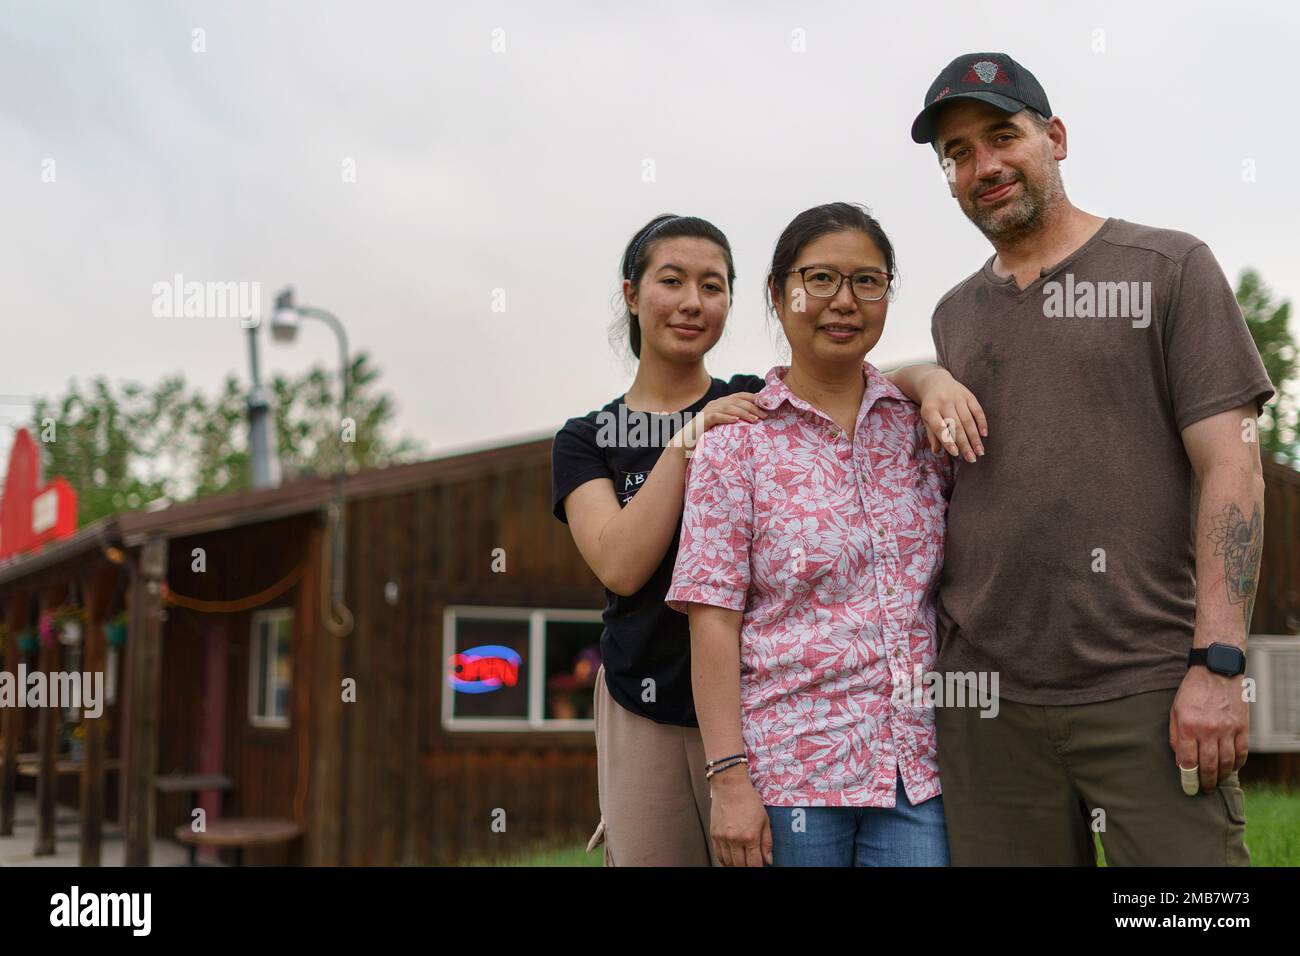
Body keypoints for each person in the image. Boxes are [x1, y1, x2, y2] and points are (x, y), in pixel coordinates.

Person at [908, 52, 1274, 865]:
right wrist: (924, 373)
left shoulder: (1169, 268)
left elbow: (1235, 469)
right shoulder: (954, 316)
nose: (983, 166)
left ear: (1056, 138)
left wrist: (1217, 663)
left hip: (1147, 687)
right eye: (958, 154)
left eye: (1002, 136)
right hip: (987, 705)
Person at [665, 202, 957, 866]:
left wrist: (933, 379)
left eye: (867, 281)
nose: (844, 302)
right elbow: (711, 621)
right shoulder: (734, 444)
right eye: (820, 279)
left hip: (916, 774)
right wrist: (728, 779)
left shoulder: (920, 429)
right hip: (785, 776)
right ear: (778, 293)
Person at [551, 213, 768, 866]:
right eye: (671, 280)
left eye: (714, 285)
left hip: (755, 702)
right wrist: (687, 440)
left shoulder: (756, 401)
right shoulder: (586, 439)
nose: (693, 303)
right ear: (631, 293)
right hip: (639, 697)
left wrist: (930, 382)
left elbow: (859, 389)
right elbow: (620, 562)